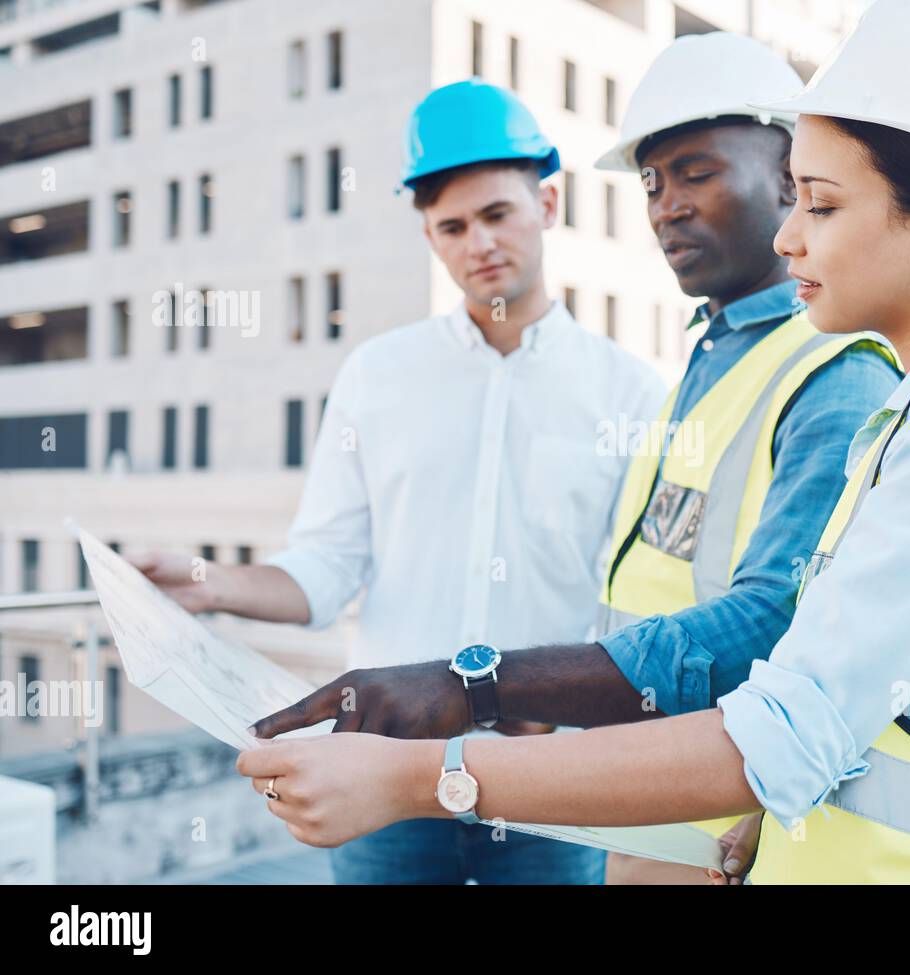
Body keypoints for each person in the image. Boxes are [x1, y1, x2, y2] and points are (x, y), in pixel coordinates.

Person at [238, 0, 910, 884]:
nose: (793, 236)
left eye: (818, 202)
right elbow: (866, 687)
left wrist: (429, 762)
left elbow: (781, 712)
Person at [248, 32, 902, 885]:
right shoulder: (704, 368)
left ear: (790, 174)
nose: (666, 206)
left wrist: (488, 686)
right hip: (637, 807)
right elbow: (642, 592)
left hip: (667, 813)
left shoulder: (826, 370)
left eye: (697, 173)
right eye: (652, 182)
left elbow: (777, 628)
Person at [136, 79, 665, 884]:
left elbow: (640, 601)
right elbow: (323, 570)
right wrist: (207, 583)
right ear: (428, 234)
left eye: (497, 214)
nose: (477, 243)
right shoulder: (377, 376)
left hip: (552, 785)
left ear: (548, 204)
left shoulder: (630, 393)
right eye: (451, 226)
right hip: (384, 777)